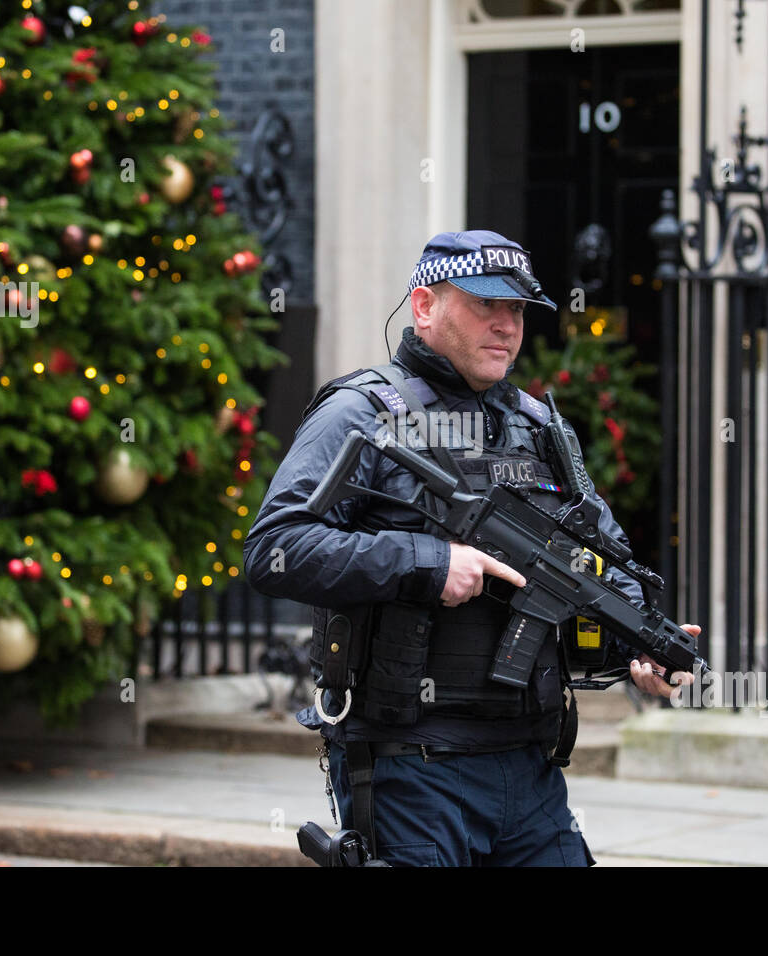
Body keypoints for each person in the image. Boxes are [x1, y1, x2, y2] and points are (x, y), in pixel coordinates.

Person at [244, 229, 699, 866]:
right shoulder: (361, 412)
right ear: (425, 307)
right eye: (487, 305)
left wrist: (637, 649)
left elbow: (598, 558)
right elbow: (274, 547)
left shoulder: (542, 428)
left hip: (530, 770)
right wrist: (429, 564)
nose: (507, 326)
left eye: (517, 309)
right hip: (415, 768)